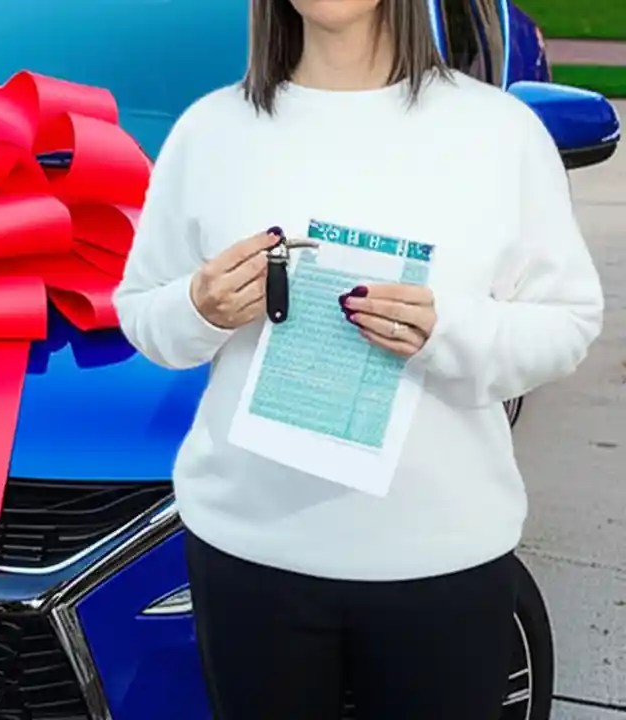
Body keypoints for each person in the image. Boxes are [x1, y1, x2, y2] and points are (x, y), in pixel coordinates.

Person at [112, 0, 604, 718]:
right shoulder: (210, 133)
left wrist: (446, 330)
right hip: (249, 559)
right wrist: (198, 306)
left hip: (439, 560)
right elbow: (141, 312)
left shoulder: (499, 133)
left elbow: (568, 322)